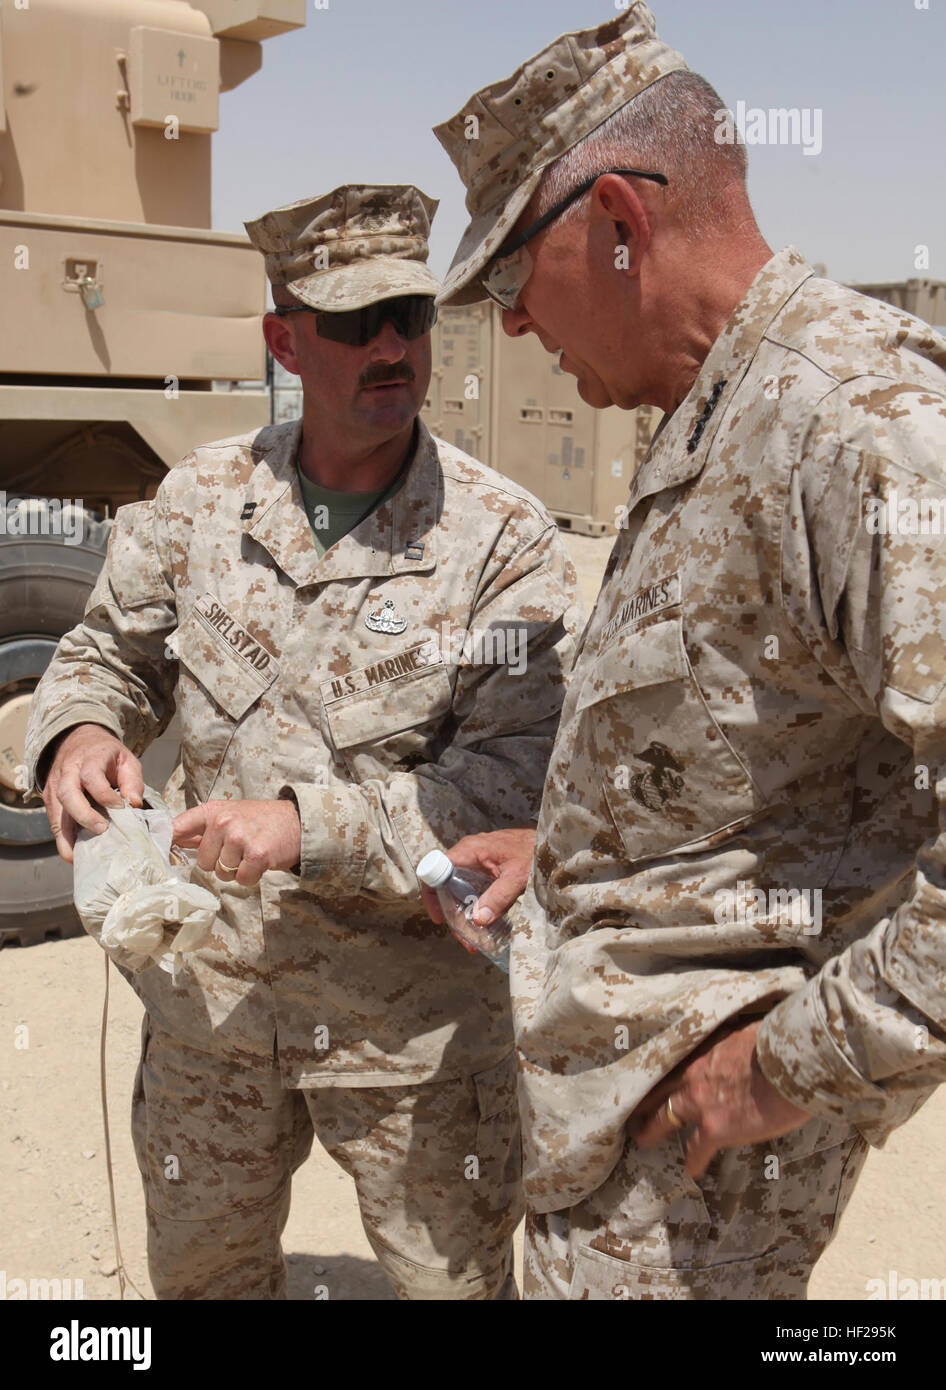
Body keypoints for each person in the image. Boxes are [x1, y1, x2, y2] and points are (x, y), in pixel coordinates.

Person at [428, 5, 946, 1299]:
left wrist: (787, 1064)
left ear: (617, 221)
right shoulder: (714, 406)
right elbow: (767, 745)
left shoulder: (851, 426)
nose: (505, 328)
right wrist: (585, 846)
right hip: (615, 1099)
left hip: (702, 1150)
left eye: (507, 278)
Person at [25, 184, 583, 1300]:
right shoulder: (198, 501)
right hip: (213, 1005)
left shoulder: (501, 540)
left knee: (454, 1288)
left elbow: (514, 780)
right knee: (203, 1279)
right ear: (284, 338)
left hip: (412, 1032)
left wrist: (303, 828)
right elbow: (107, 651)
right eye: (351, 320)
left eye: (409, 316)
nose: (390, 346)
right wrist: (80, 730)